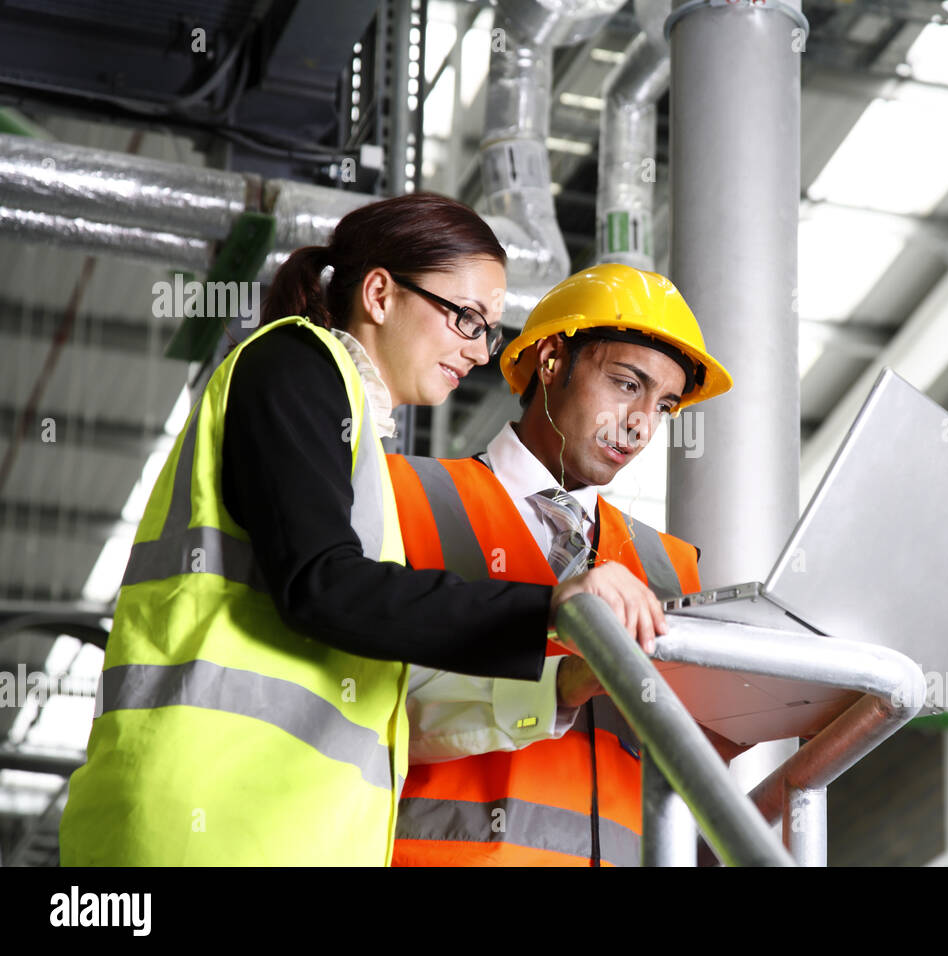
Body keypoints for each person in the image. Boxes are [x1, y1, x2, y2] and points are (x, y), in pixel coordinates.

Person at [58, 195, 663, 866]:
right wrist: (550, 603)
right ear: (379, 292)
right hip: (211, 822)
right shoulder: (293, 362)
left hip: (291, 831)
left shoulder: (364, 457)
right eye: (464, 318)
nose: (477, 350)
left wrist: (560, 686)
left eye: (489, 330)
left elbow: (391, 690)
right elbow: (322, 588)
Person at [387, 262, 739, 866]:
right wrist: (562, 685)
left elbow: (683, 785)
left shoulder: (671, 569)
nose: (639, 426)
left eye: (665, 406)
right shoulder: (406, 498)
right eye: (627, 384)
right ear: (551, 361)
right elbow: (372, 719)